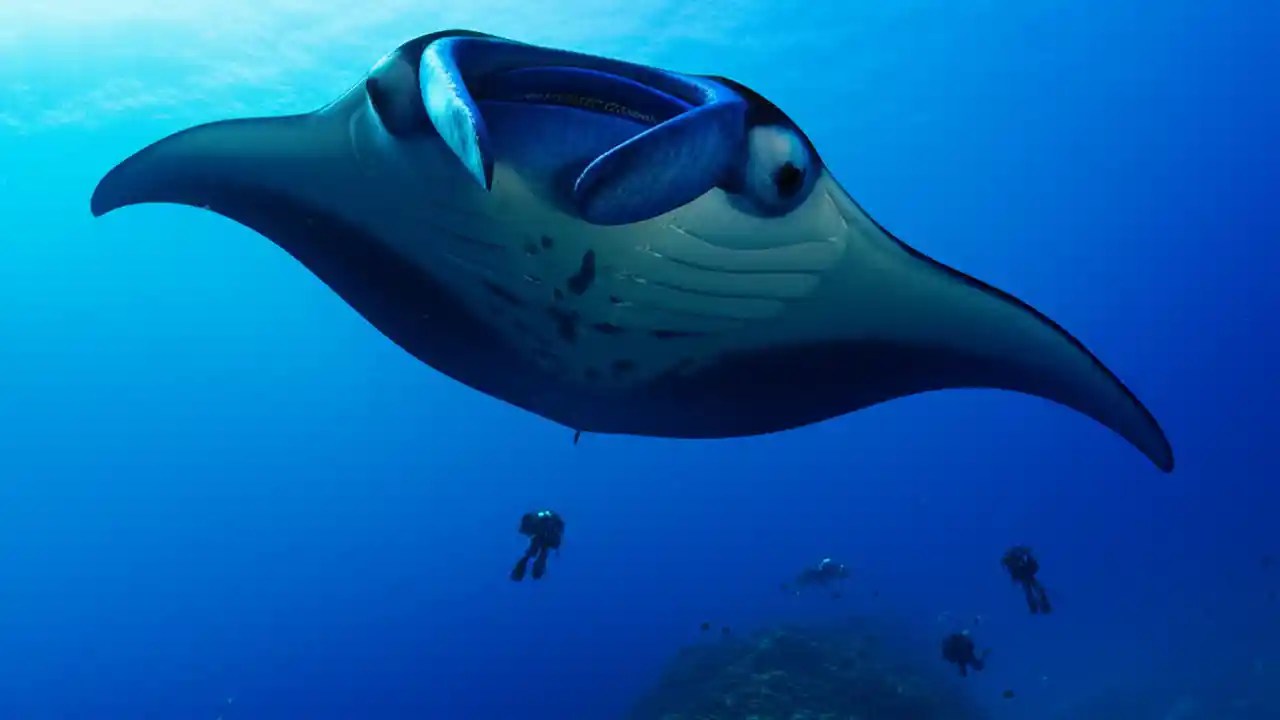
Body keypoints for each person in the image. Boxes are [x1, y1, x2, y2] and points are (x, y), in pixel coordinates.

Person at [510, 510, 565, 581]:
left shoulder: (541, 526)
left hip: (549, 535)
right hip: (548, 535)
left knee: (539, 551)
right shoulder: (538, 523)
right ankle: (528, 572)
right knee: (537, 551)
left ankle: (526, 573)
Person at [1001, 545, 1051, 614]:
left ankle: (1035, 607)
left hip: (1024, 576)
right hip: (1026, 576)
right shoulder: (1022, 559)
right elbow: (1035, 567)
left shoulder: (1015, 560)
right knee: (1034, 589)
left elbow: (1034, 567)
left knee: (1030, 591)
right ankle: (1041, 605)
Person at [783, 557, 850, 597]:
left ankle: (789, 587)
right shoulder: (828, 571)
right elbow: (821, 577)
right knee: (802, 583)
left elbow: (822, 577)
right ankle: (789, 587)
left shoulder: (829, 571)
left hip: (816, 576)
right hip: (815, 576)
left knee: (802, 583)